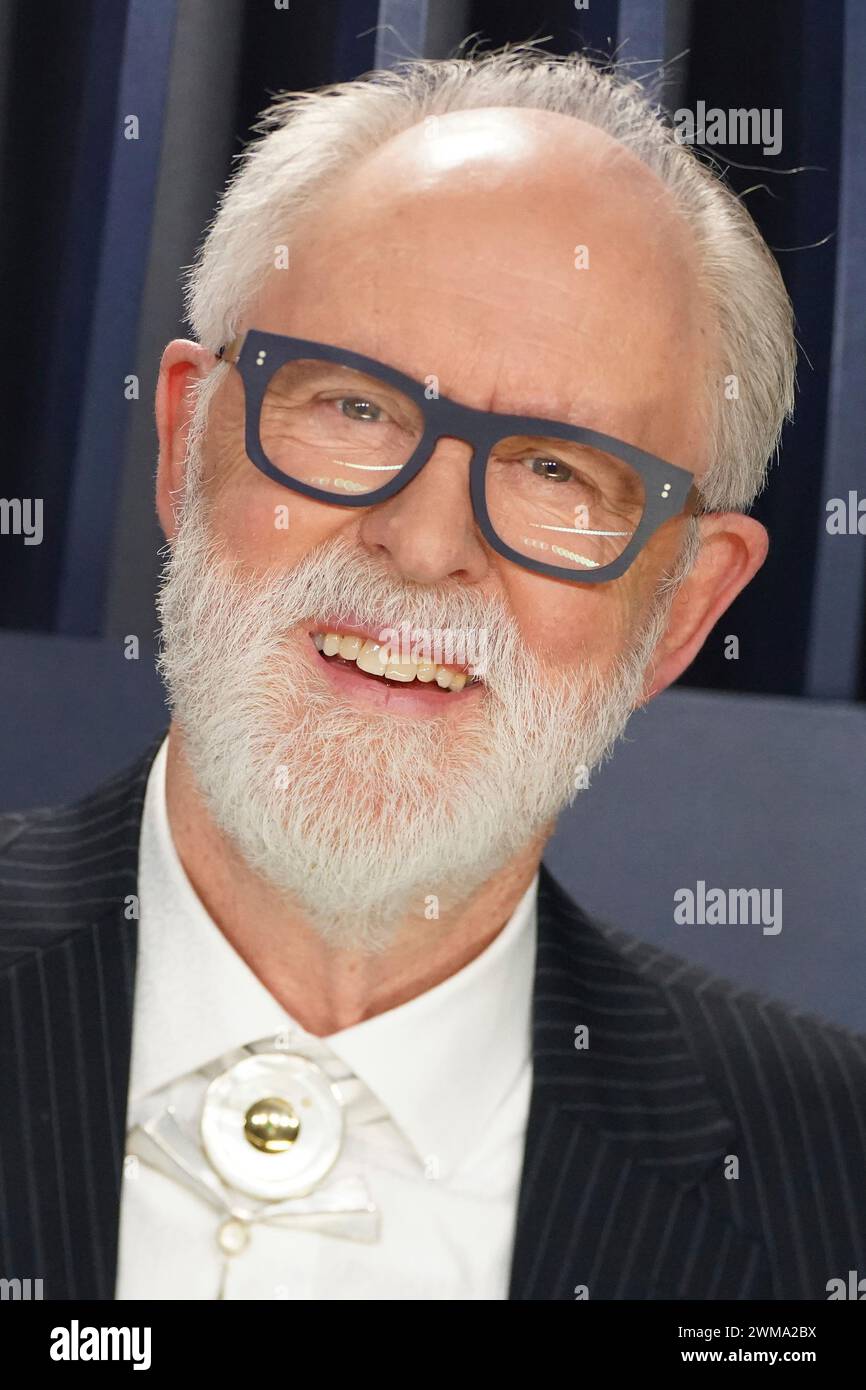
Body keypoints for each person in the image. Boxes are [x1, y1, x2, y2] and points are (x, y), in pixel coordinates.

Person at [2, 44, 864, 1302]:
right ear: (190, 441)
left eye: (557, 472)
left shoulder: (831, 1190)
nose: (422, 543)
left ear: (682, 606)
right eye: (354, 410)